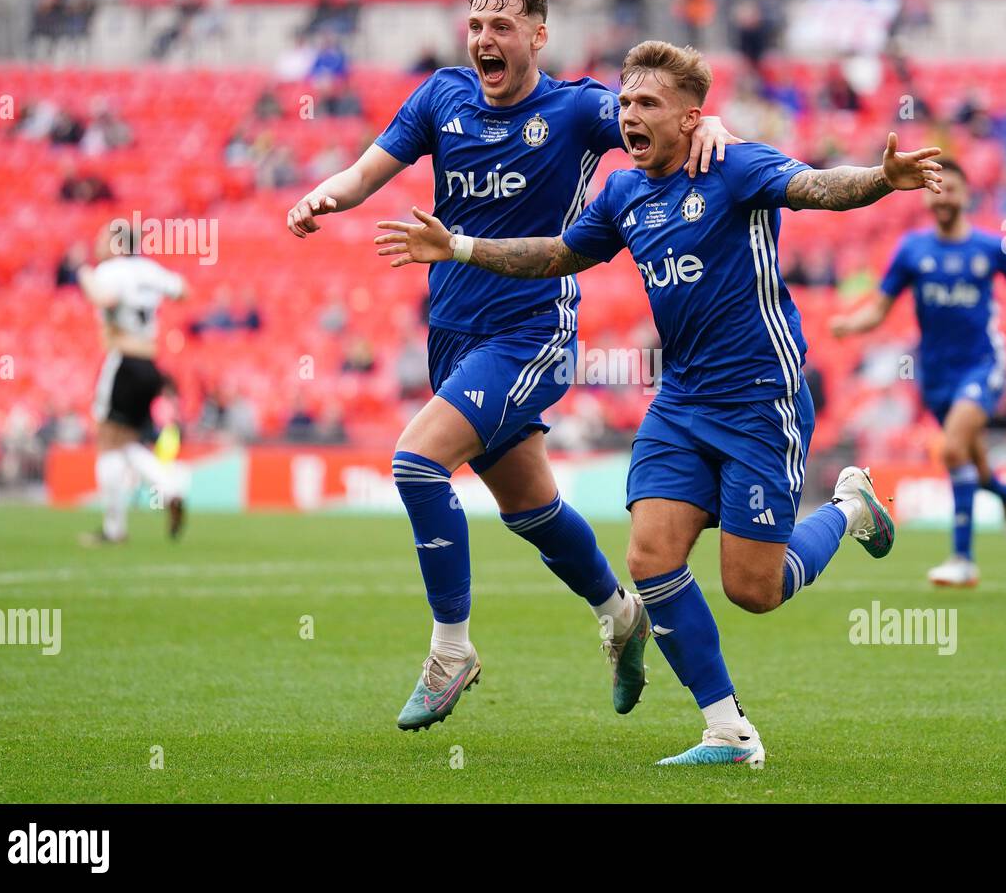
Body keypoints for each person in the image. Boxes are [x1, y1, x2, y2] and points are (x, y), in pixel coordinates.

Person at [376, 40, 943, 765]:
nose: (629, 115)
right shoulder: (621, 192)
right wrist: (457, 246)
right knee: (650, 558)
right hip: (680, 403)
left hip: (759, 401)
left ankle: (851, 509)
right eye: (625, 103)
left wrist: (880, 179)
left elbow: (818, 187)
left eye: (647, 104)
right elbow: (556, 256)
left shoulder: (734, 166)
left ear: (690, 119)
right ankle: (729, 733)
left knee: (753, 590)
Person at [286, 0, 739, 732]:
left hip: (531, 333)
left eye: (501, 27)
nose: (484, 39)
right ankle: (618, 611)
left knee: (415, 462)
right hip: (453, 334)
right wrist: (325, 194)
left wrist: (712, 123)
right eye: (474, 25)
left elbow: (658, 121)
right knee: (531, 507)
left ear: (537, 35)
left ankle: (450, 650)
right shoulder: (441, 96)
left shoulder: (575, 110)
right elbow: (368, 170)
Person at [831, 160, 1006, 587]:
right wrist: (849, 324)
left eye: (952, 189)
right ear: (926, 195)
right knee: (972, 464)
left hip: (984, 364)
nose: (944, 196)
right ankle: (1003, 494)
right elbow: (879, 307)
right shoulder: (912, 251)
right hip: (935, 376)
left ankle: (963, 559)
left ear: (966, 196)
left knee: (950, 449)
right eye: (937, 188)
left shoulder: (988, 248)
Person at [76, 223, 189, 545]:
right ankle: (170, 489)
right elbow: (183, 290)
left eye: (102, 238)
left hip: (124, 361)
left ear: (117, 244)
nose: (97, 244)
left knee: (108, 441)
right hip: (150, 364)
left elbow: (106, 299)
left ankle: (114, 529)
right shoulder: (148, 269)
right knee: (127, 443)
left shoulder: (110, 270)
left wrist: (83, 274)